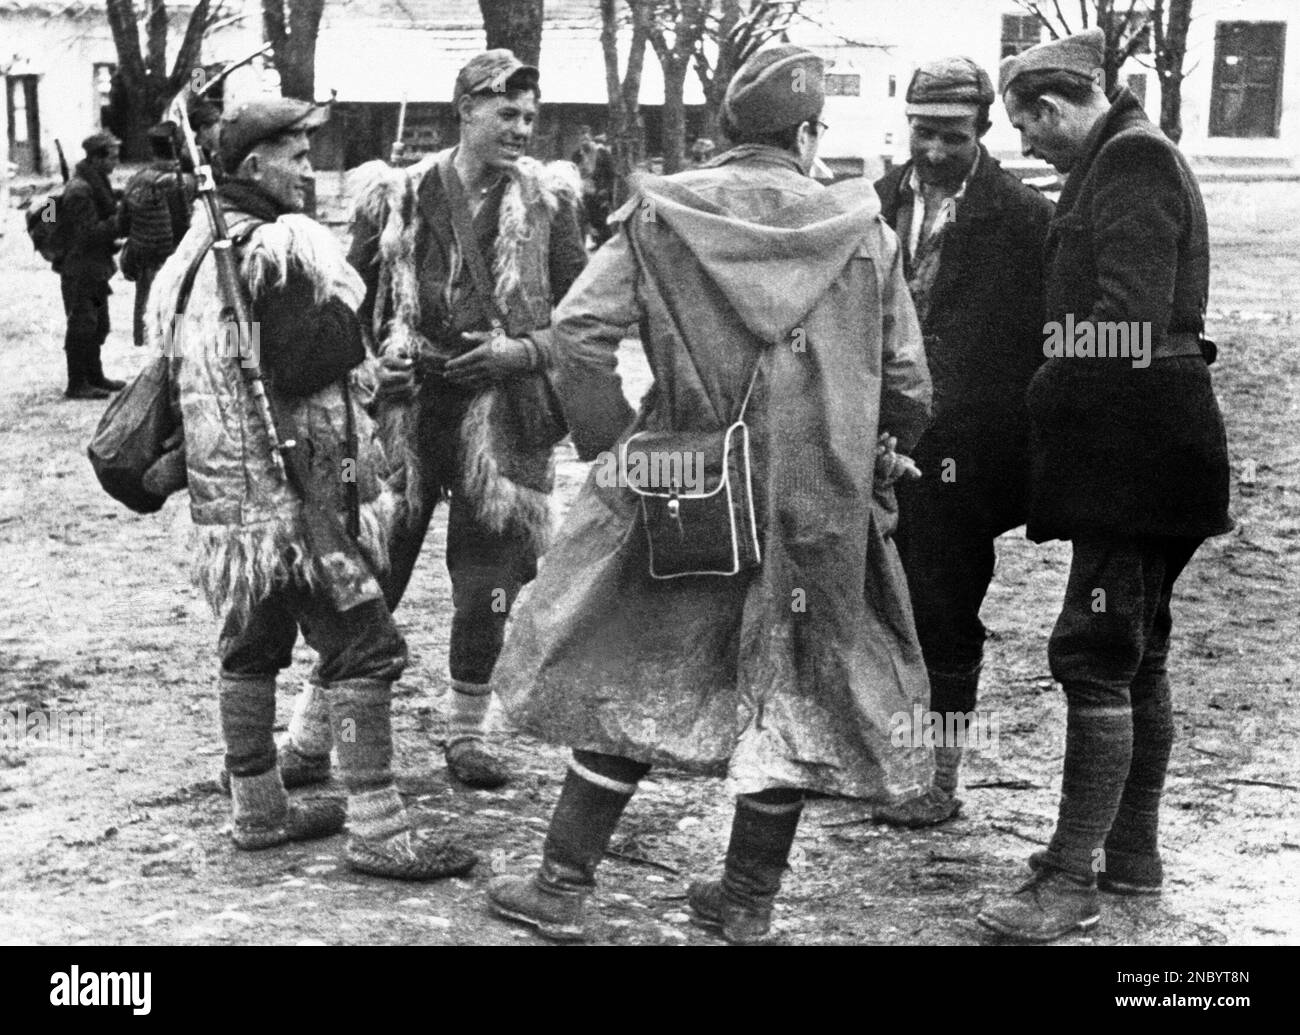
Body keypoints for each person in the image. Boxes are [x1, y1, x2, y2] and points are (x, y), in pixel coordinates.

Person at [482, 44, 933, 944]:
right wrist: (883, 450)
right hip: (819, 501)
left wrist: (619, 447)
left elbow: (575, 335)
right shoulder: (865, 231)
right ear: (805, 133)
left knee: (628, 655)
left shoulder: (660, 219)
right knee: (799, 681)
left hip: (684, 482)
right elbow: (910, 379)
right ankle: (746, 903)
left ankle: (562, 886)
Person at [150, 97, 477, 880]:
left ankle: (258, 810)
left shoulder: (195, 256)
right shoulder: (279, 247)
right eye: (295, 153)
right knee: (365, 647)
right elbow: (297, 363)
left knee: (252, 643)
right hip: (298, 496)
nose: (306, 167)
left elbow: (225, 363)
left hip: (229, 500)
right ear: (254, 165)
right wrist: (355, 314)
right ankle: (378, 829)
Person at [976, 29, 1232, 942]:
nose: (1024, 145)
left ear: (1052, 108)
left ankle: (1068, 877)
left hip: (1139, 454)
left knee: (1091, 650)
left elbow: (1129, 323)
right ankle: (1131, 857)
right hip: (1154, 449)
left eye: (1025, 125)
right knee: (1138, 651)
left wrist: (1045, 376)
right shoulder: (1127, 157)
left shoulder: (1129, 162)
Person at [275, 50, 587, 791]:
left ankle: (466, 733)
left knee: (490, 587)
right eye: (506, 114)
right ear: (466, 111)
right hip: (403, 415)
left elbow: (584, 321)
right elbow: (344, 307)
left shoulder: (551, 204)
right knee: (368, 579)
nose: (520, 129)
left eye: (530, 118)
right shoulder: (397, 196)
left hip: (504, 418)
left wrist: (518, 352)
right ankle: (313, 736)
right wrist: (370, 368)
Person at [871, 57, 1054, 827]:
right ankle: (872, 756)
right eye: (922, 132)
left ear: (983, 130)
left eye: (951, 135)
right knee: (866, 599)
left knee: (943, 609)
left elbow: (1040, 344)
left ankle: (938, 778)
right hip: (869, 438)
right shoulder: (871, 205)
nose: (935, 150)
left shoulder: (1025, 220)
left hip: (963, 454)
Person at [57, 132, 125, 399]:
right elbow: (88, 234)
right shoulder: (80, 190)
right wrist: (120, 220)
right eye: (112, 158)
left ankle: (94, 375)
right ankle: (77, 383)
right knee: (82, 325)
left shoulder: (95, 182)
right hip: (80, 269)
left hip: (94, 268)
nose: (115, 163)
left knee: (99, 324)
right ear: (97, 158)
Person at [120, 123, 195, 347]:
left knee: (150, 317)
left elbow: (123, 224)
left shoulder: (137, 179)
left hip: (147, 260)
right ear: (179, 147)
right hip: (181, 261)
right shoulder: (189, 182)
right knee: (177, 317)